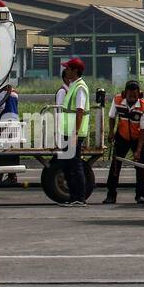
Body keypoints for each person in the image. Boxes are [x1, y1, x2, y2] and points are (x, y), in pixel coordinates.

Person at [102, 80, 144, 204]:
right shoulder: (118, 100)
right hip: (122, 137)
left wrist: (138, 150)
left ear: (139, 94)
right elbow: (112, 117)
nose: (132, 98)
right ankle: (111, 194)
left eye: (135, 96)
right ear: (124, 94)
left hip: (138, 138)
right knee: (115, 166)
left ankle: (140, 195)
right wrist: (111, 132)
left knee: (139, 167)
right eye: (130, 96)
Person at [57, 58, 91, 207]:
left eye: (68, 69)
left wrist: (75, 134)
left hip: (73, 133)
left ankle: (79, 197)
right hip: (67, 131)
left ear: (75, 70)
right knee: (67, 165)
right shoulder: (73, 86)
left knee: (75, 165)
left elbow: (79, 112)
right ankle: (73, 197)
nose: (66, 71)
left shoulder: (80, 88)